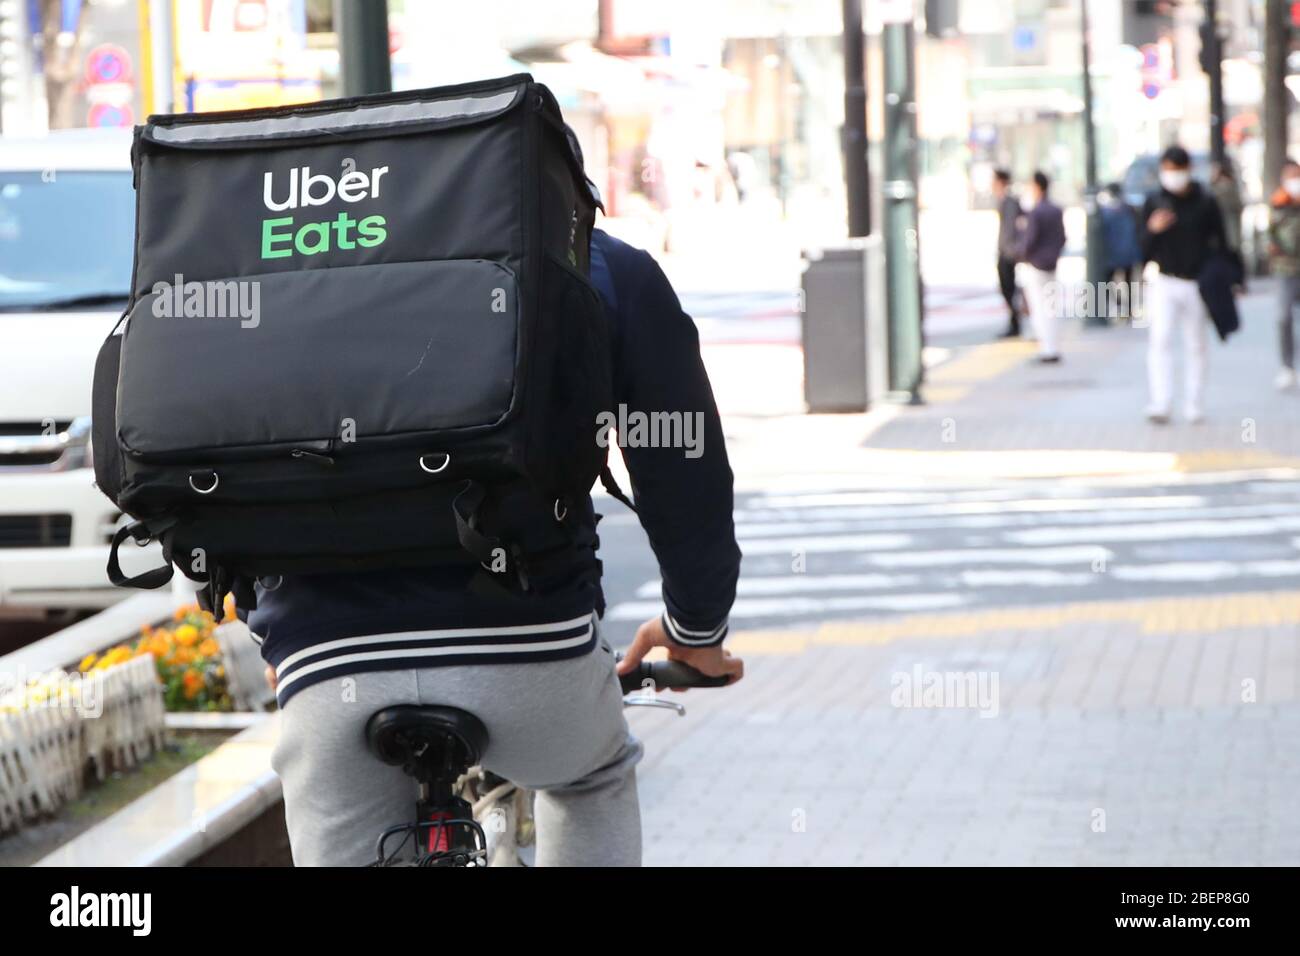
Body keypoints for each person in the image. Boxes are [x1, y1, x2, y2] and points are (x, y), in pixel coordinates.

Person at [251, 144, 745, 867]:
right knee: (589, 779)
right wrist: (695, 629)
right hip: (531, 644)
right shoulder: (604, 269)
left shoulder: (301, 273)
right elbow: (684, 472)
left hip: (326, 660)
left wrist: (279, 637)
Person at [1140, 144, 1228, 425]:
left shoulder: (1205, 201)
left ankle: (1194, 403)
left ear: (1188, 170)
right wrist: (1153, 230)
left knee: (1196, 344)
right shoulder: (1154, 201)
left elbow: (1221, 243)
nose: (1173, 176)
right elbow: (1140, 247)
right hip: (1164, 280)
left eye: (1177, 170)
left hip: (1196, 283)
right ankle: (1161, 402)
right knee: (1160, 340)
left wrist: (1225, 279)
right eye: (1168, 170)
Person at [1016, 171, 1067, 363]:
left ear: (1037, 187)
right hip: (1051, 264)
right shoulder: (1055, 210)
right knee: (1051, 307)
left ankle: (1047, 349)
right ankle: (1052, 347)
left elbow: (1029, 240)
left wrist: (1021, 254)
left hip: (1036, 265)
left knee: (1039, 308)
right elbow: (1062, 237)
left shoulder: (1036, 212)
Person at [1268, 157, 1300, 391]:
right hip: (1285, 269)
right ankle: (1287, 367)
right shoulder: (1277, 204)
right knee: (1284, 317)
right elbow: (1268, 236)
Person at [1099, 182, 1142, 323]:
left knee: (1117, 283)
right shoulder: (1125, 210)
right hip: (1119, 254)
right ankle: (1123, 308)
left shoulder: (1126, 210)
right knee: (1112, 283)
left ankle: (1125, 309)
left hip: (1122, 254)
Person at [991, 168, 1025, 338]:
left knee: (1009, 288)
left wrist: (1009, 250)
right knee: (1007, 288)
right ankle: (1014, 322)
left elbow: (1011, 228)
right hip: (1005, 250)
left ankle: (1015, 323)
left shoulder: (1009, 201)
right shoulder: (1005, 199)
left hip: (1008, 252)